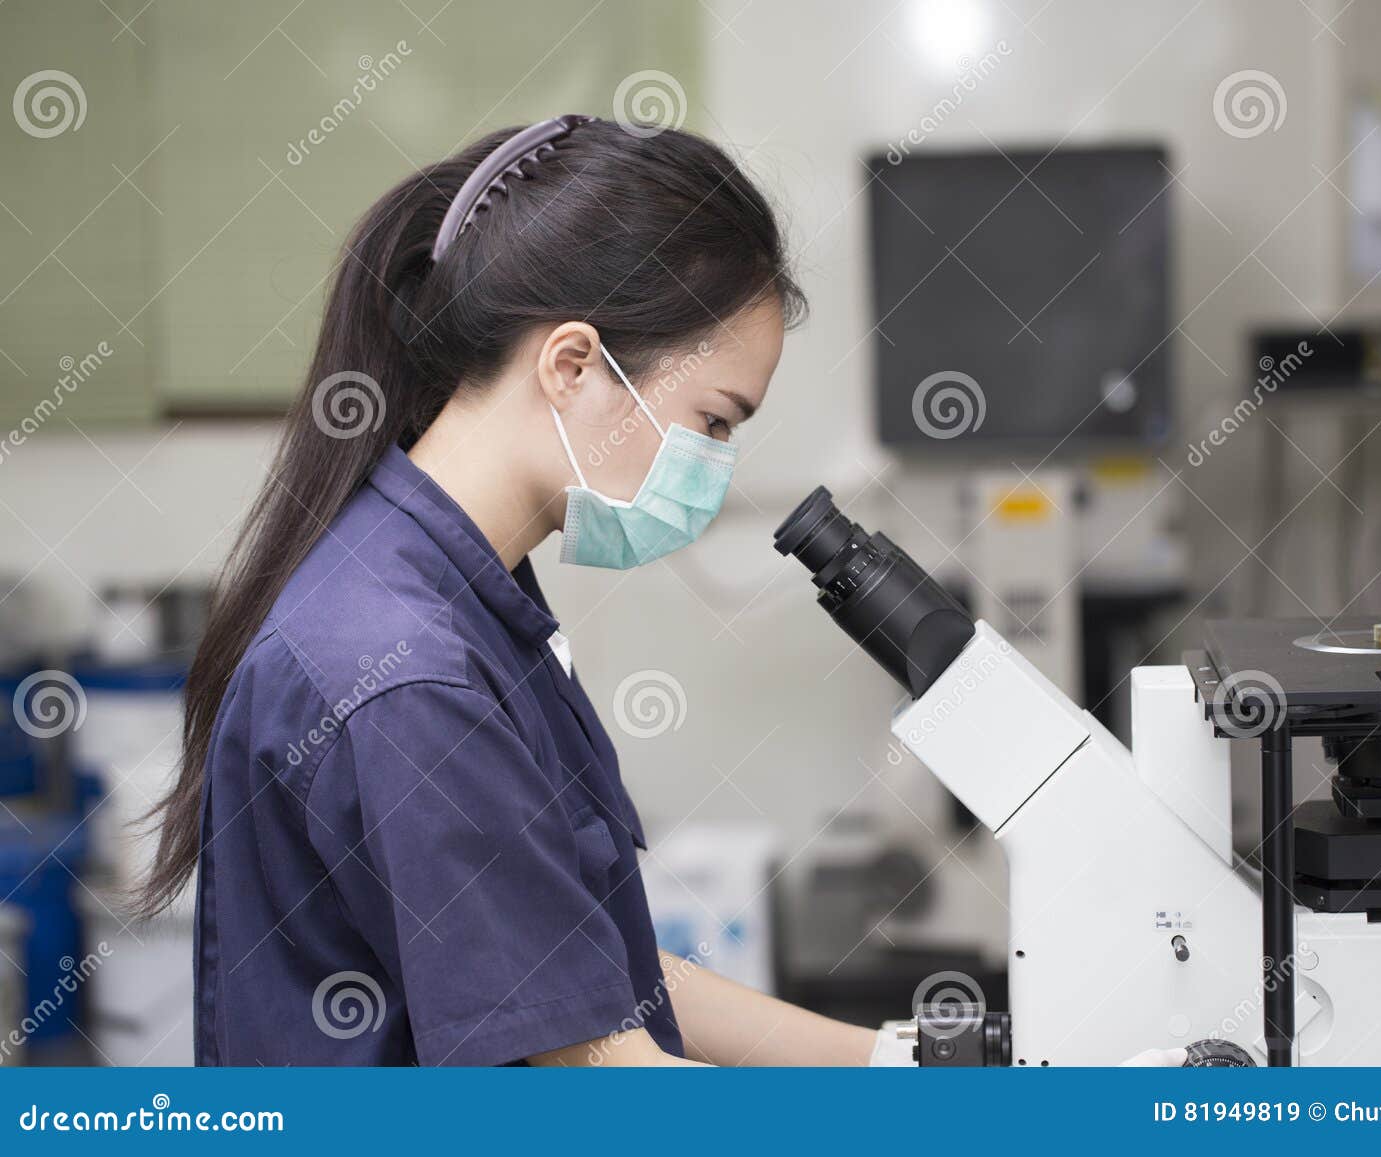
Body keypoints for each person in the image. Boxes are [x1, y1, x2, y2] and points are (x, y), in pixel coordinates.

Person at [139, 115, 879, 1066]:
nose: (715, 468)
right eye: (714, 421)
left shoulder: (456, 598)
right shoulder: (409, 673)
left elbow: (593, 972)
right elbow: (599, 1077)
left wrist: (893, 1061)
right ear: (573, 366)